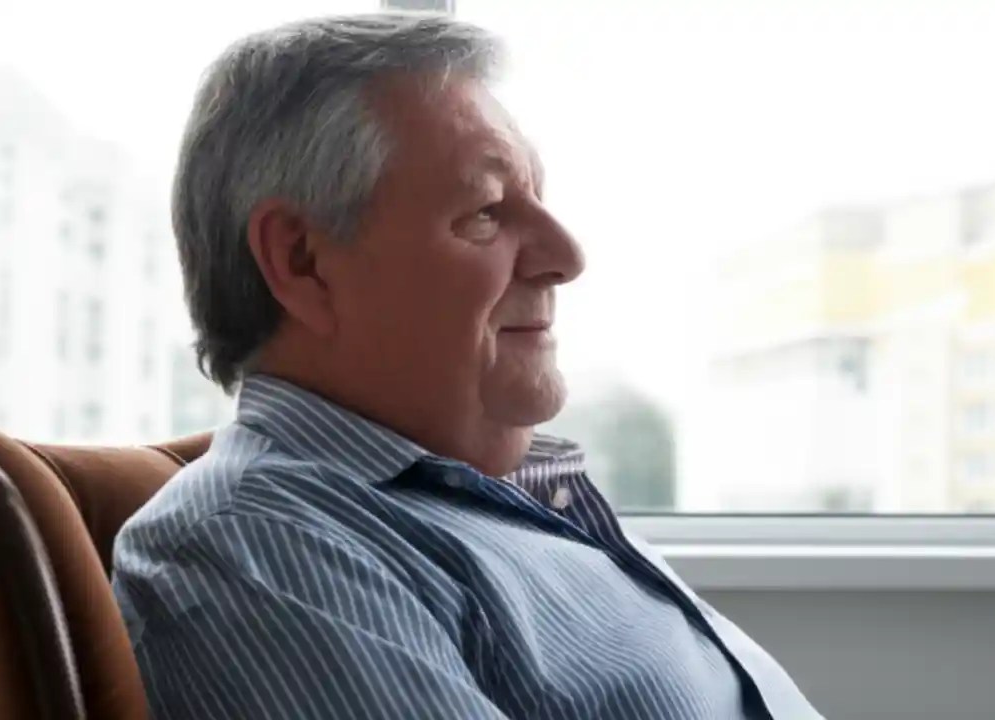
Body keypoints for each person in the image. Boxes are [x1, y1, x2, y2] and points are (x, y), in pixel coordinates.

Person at [112, 12, 823, 719]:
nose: (567, 257)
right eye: (485, 211)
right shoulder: (258, 550)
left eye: (536, 199)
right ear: (303, 262)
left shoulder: (510, 497)